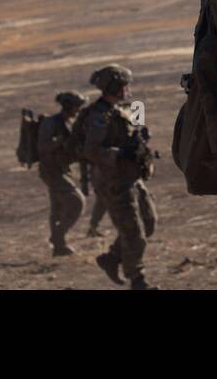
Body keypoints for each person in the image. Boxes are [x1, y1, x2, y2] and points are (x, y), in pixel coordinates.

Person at [82, 65, 157, 290]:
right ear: (113, 87)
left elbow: (126, 138)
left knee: (149, 222)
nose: (127, 89)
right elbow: (91, 150)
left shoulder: (118, 111)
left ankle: (112, 257)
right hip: (114, 182)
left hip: (131, 178)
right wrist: (120, 153)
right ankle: (138, 280)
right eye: (123, 86)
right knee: (134, 234)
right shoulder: (98, 116)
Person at [37, 91, 86, 256]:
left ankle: (59, 247)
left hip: (61, 169)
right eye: (76, 107)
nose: (78, 110)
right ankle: (57, 236)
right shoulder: (51, 123)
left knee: (57, 208)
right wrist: (59, 142)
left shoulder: (68, 123)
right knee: (77, 202)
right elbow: (42, 147)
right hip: (51, 171)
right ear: (69, 106)